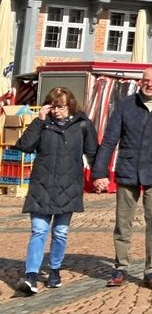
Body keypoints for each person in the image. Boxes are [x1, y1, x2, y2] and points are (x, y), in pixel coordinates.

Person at [92, 66, 152, 289]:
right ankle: (121, 267)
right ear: (140, 82)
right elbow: (109, 141)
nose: (150, 84)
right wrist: (99, 172)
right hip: (127, 170)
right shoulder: (125, 105)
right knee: (123, 223)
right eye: (146, 80)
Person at [14, 87, 98, 295]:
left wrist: (99, 177)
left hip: (69, 186)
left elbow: (93, 153)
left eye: (60, 106)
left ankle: (54, 270)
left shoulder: (83, 125)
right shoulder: (43, 124)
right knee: (39, 231)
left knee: (60, 232)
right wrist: (39, 120)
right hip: (42, 186)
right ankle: (31, 275)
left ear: (70, 105)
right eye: (52, 106)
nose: (56, 111)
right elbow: (24, 146)